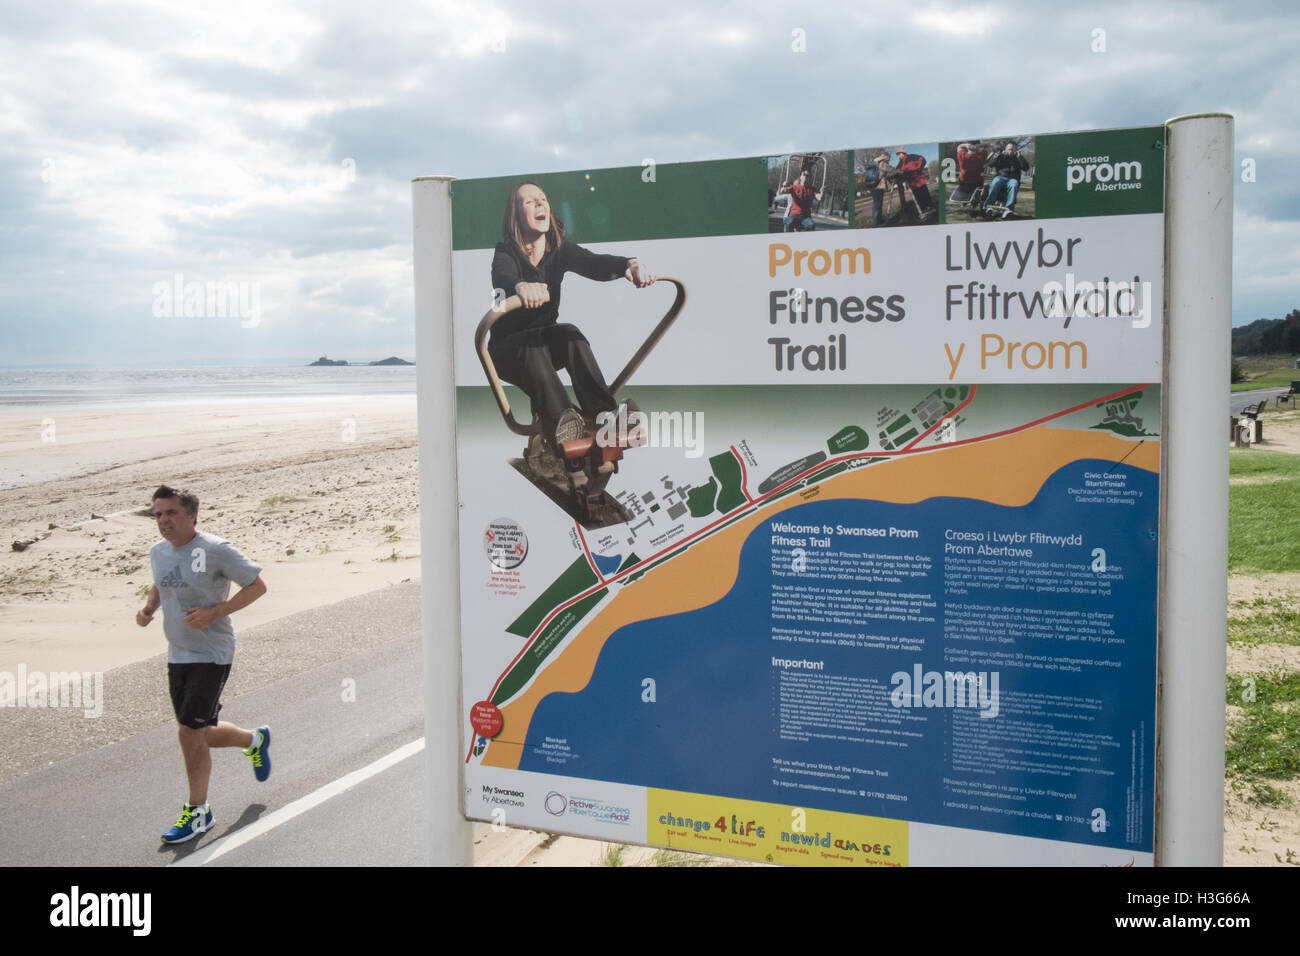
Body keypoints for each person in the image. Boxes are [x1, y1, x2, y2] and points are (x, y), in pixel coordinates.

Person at [137, 485, 270, 844]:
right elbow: (161, 581)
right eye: (159, 514)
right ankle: (254, 740)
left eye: (171, 513)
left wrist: (216, 611)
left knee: (188, 732)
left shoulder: (216, 549)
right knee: (200, 731)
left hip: (212, 653)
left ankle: (198, 813)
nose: (163, 520)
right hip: (178, 651)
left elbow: (257, 586)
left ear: (192, 515)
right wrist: (150, 607)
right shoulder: (158, 551)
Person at [489, 182, 655, 447]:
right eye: (530, 202)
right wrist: (520, 287)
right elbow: (503, 275)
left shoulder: (558, 250)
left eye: (543, 199)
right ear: (516, 215)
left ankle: (604, 414)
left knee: (569, 333)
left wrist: (628, 264)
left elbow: (592, 262)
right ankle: (562, 424)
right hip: (508, 352)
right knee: (531, 348)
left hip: (543, 345)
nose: (540, 203)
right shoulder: (506, 253)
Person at [983, 141, 1030, 219]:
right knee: (996, 182)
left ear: (1016, 150)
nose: (1010, 151)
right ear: (1005, 149)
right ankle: (988, 207)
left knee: (1014, 184)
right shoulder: (1001, 156)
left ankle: (1009, 210)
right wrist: (998, 155)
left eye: (1012, 149)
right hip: (1000, 177)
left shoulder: (1018, 157)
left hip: (1013, 179)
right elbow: (990, 164)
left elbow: (1025, 168)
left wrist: (1019, 156)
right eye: (1009, 149)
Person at [893, 147, 934, 220]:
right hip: (912, 183)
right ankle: (924, 211)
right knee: (918, 198)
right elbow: (898, 173)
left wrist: (918, 169)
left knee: (925, 195)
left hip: (920, 180)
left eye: (899, 154)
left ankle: (931, 209)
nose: (899, 156)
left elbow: (922, 159)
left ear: (903, 153)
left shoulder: (912, 157)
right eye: (898, 154)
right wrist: (895, 177)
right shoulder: (900, 164)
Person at [778, 167, 823, 232]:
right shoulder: (794, 187)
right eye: (804, 174)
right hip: (794, 215)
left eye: (807, 175)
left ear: (809, 178)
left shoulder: (812, 189)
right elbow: (782, 192)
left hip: (805, 217)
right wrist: (784, 186)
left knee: (811, 225)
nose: (805, 176)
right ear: (800, 177)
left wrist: (822, 192)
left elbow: (819, 197)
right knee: (788, 222)